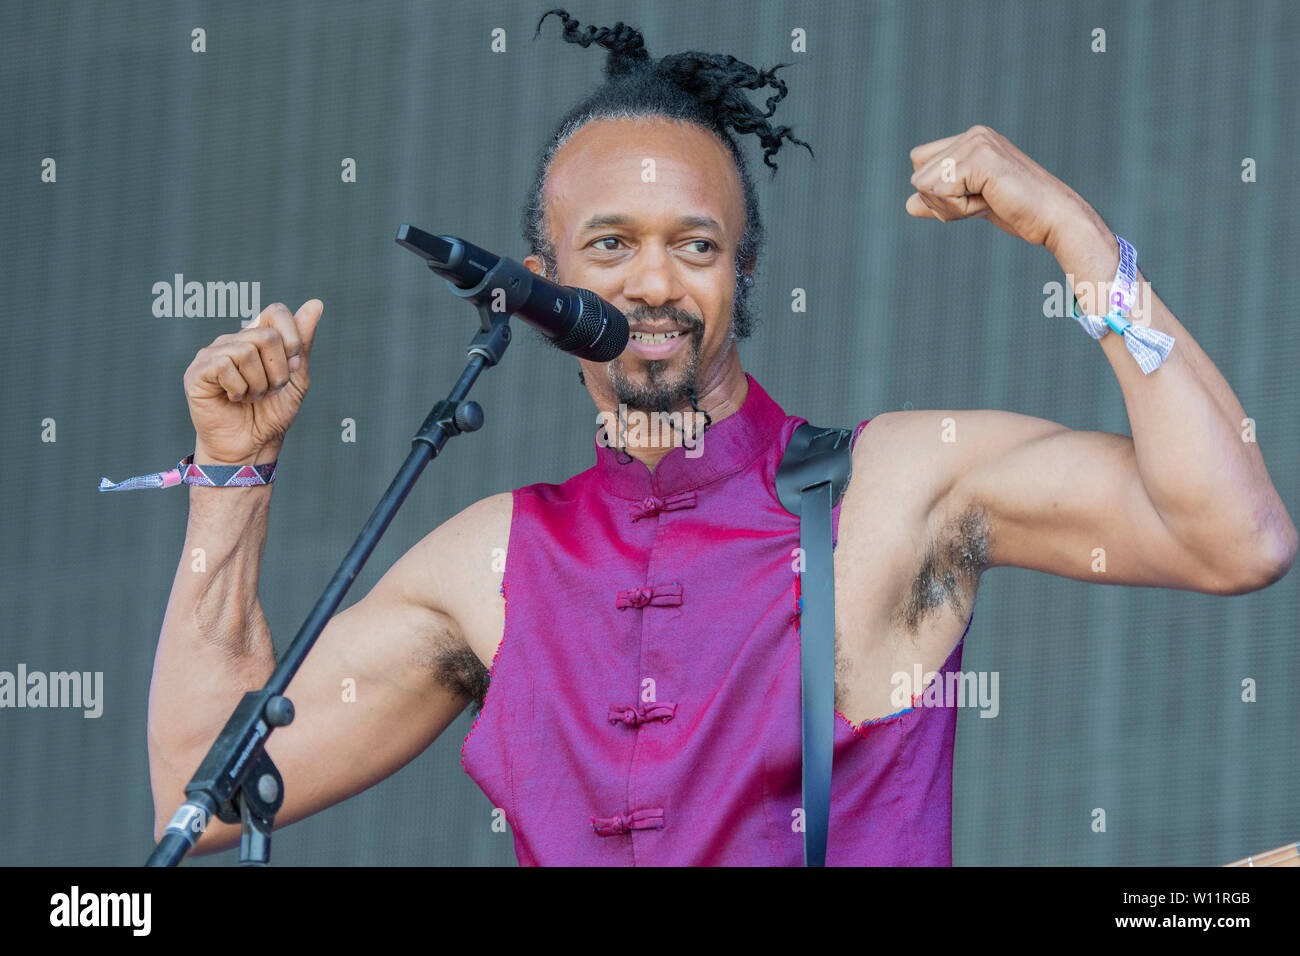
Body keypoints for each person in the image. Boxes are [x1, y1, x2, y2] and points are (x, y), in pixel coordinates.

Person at [147, 10, 1296, 865]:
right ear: (536, 287)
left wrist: (1078, 238)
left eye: (694, 246)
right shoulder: (490, 561)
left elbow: (1232, 536)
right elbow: (196, 800)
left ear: (741, 274)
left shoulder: (893, 486)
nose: (652, 279)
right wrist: (230, 476)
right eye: (609, 246)